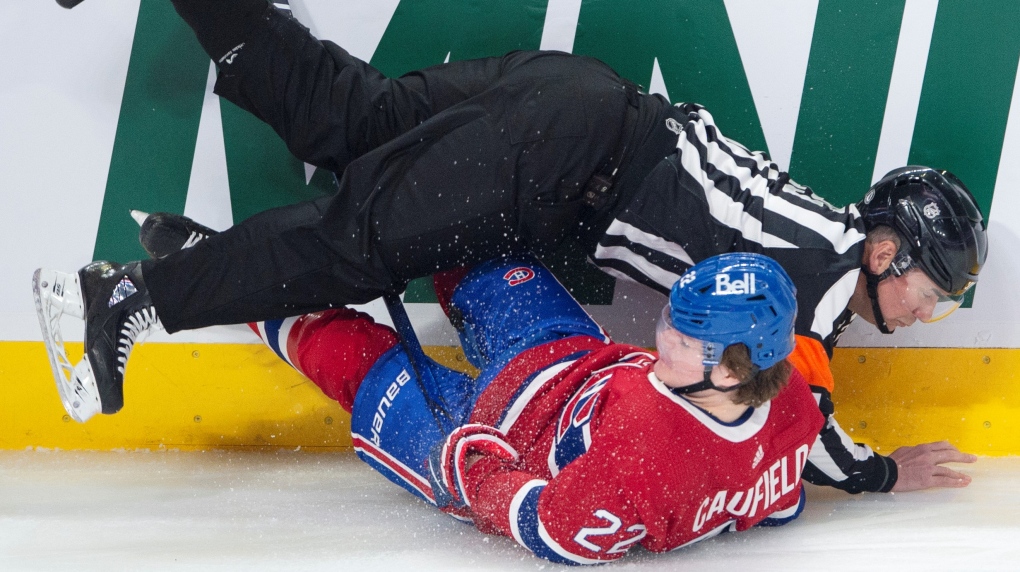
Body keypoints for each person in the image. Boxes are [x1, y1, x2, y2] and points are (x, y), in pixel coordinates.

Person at [35, 0, 983, 494]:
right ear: (886, 250)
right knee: (353, 245)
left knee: (347, 115)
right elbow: (799, 426)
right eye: (930, 293)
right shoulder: (820, 283)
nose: (925, 315)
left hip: (572, 106)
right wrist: (885, 473)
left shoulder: (821, 240)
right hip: (560, 159)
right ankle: (125, 299)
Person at [257, 249, 824, 564]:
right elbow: (781, 504)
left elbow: (548, 527)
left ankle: (244, 283)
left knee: (356, 361)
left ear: (727, 371)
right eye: (669, 318)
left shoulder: (643, 459)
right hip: (565, 353)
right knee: (461, 239)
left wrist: (476, 468)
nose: (662, 336)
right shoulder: (794, 403)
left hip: (486, 424)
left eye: (681, 336)